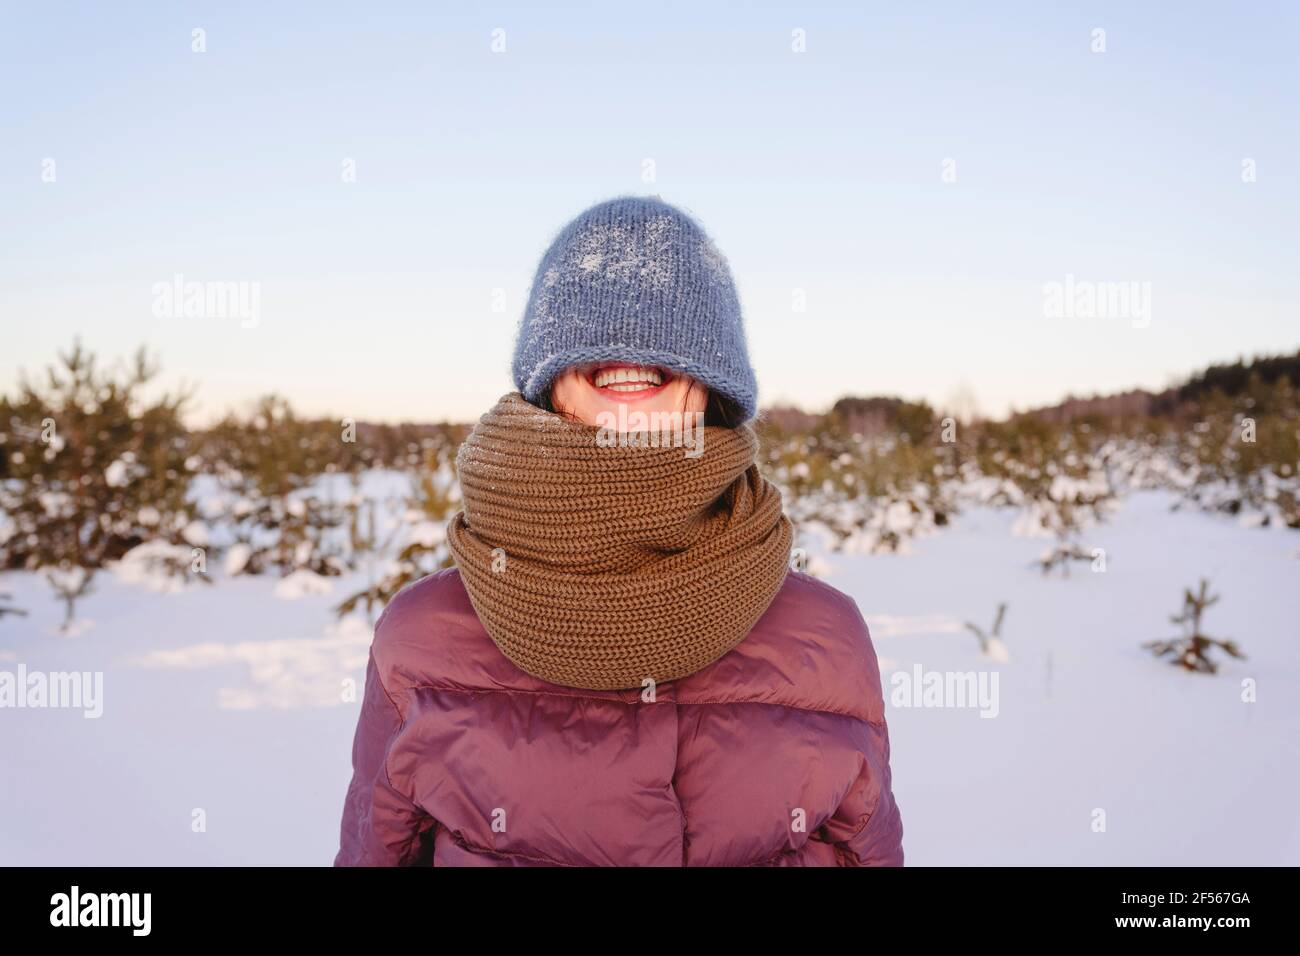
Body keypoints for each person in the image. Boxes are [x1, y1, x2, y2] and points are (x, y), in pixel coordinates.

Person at [334, 195, 903, 866]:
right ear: (548, 382)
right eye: (593, 334)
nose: (629, 349)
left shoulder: (827, 636)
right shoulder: (422, 638)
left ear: (714, 383)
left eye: (669, 336)